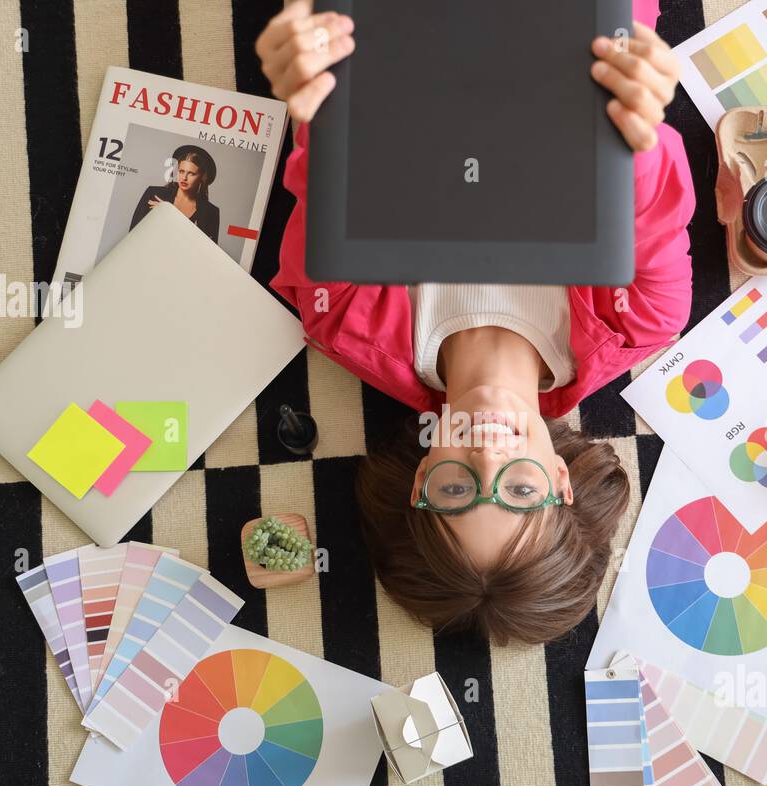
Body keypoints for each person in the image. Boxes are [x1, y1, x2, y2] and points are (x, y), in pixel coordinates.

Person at [259, 0, 695, 645]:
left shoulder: (340, 321)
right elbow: (650, 184)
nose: (490, 452)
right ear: (561, 483)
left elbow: (328, 146)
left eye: (459, 488)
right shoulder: (643, 324)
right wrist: (636, 119)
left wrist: (309, 71)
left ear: (419, 483)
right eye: (519, 490)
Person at [130, 145, 221, 244]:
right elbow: (133, 235)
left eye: (191, 173)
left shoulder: (210, 212)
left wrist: (169, 214)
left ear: (202, 177)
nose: (184, 178)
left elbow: (208, 253)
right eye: (181, 171)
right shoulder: (154, 194)